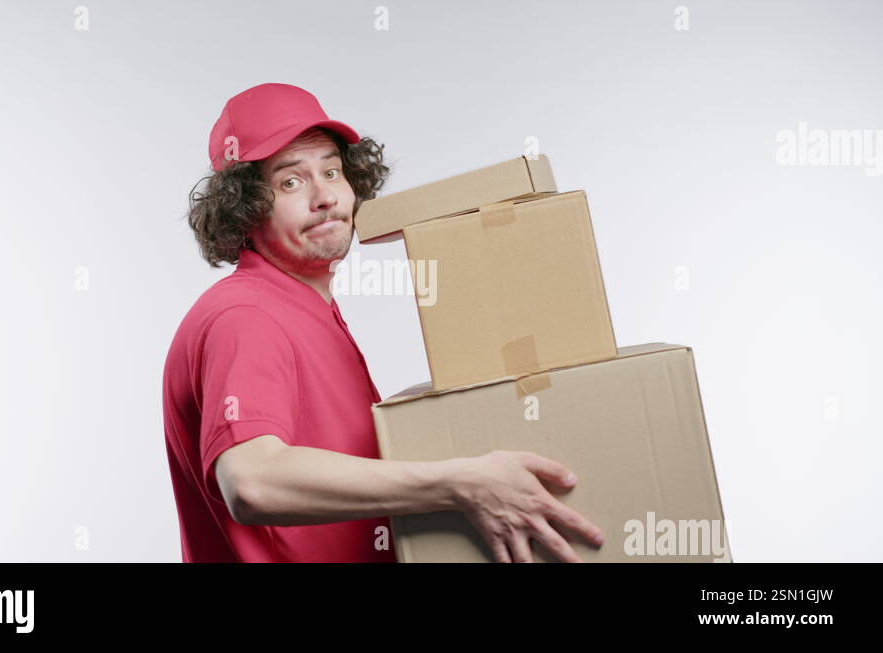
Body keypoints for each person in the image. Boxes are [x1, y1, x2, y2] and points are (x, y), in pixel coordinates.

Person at [162, 82, 605, 562]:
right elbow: (252, 481)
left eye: (331, 171)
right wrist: (461, 484)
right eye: (290, 182)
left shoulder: (302, 307)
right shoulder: (246, 315)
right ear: (243, 207)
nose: (324, 196)